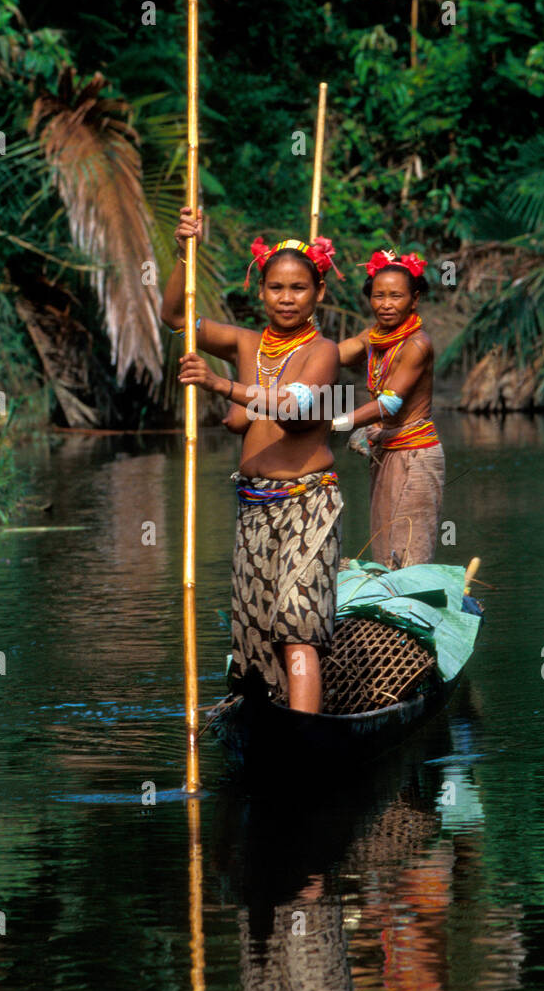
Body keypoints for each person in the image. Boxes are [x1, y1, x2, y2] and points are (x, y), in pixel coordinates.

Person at [162, 208, 343, 714]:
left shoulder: (322, 352)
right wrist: (183, 252)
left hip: (309, 503)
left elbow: (294, 407)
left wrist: (221, 385)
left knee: (297, 623)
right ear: (260, 292)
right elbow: (176, 317)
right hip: (254, 505)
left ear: (318, 293)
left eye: (299, 288)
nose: (287, 298)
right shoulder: (245, 343)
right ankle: (274, 724)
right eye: (277, 288)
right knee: (258, 631)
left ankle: (306, 735)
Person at [335, 249, 444, 568]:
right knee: (384, 552)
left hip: (415, 455)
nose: (386, 304)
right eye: (378, 296)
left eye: (396, 296)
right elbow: (333, 355)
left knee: (409, 554)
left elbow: (390, 402)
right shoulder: (372, 338)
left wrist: (334, 423)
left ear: (415, 299)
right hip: (386, 451)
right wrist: (307, 346)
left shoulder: (417, 344)